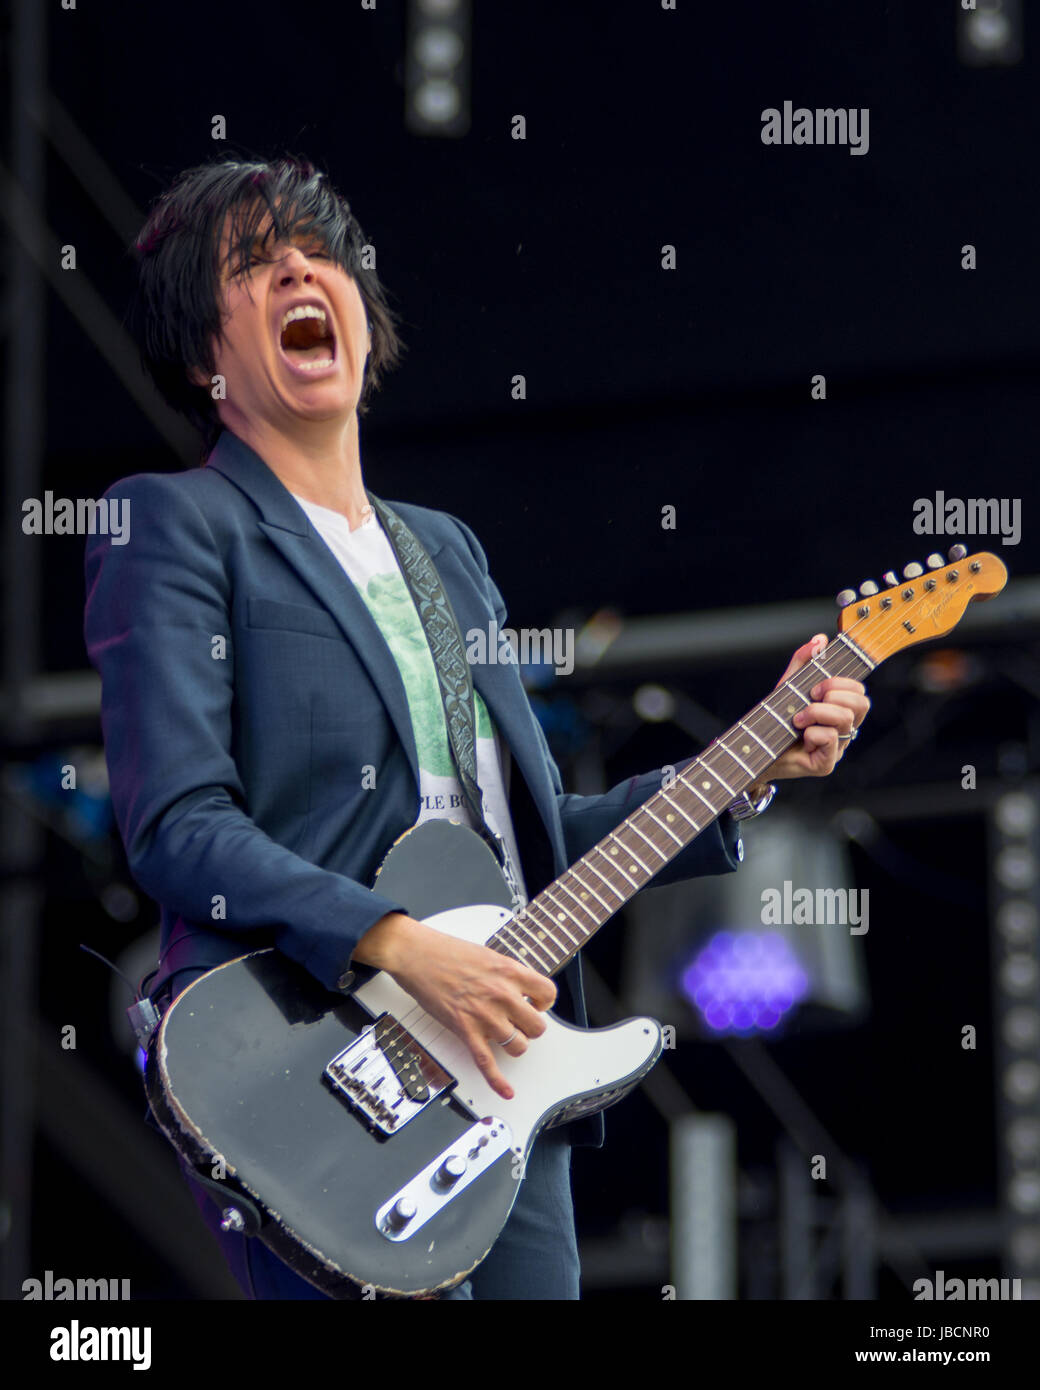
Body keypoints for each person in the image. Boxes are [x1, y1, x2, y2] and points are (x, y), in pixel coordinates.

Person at [83, 155, 870, 1300]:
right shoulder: (174, 523)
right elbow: (175, 825)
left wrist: (755, 759)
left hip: (496, 1082)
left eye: (317, 250)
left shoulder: (443, 550)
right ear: (204, 355)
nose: (299, 266)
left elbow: (542, 836)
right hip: (315, 1076)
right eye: (251, 262)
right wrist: (400, 945)